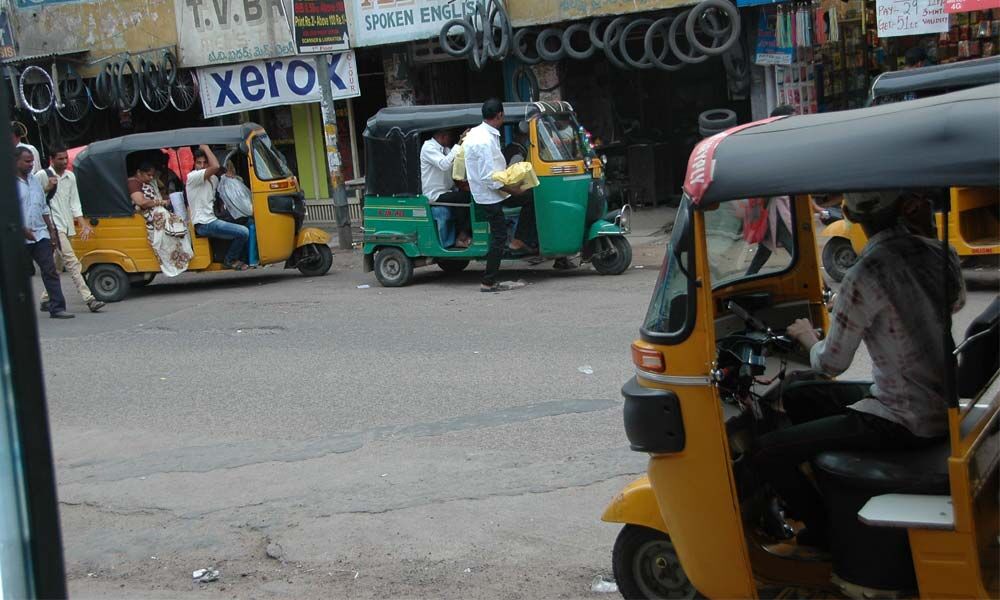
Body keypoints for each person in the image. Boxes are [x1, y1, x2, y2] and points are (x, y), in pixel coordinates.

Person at [752, 189, 965, 549]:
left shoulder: (864, 274)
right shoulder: (938, 251)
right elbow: (955, 301)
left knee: (765, 452)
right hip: (939, 402)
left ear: (850, 216)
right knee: (801, 394)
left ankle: (824, 532)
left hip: (903, 420)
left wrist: (807, 337)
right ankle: (834, 490)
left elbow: (830, 362)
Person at [464, 98, 538, 292]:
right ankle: (488, 281)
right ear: (500, 115)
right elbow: (489, 178)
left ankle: (520, 239)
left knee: (530, 199)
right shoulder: (484, 140)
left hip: (494, 191)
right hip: (490, 195)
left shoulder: (480, 133)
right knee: (499, 236)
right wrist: (514, 189)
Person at [35, 145, 105, 313]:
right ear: (52, 159)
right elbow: (34, 200)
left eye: (65, 158)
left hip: (67, 225)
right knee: (72, 262)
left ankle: (45, 297)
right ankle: (89, 298)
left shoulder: (70, 176)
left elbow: (75, 202)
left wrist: (82, 223)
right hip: (53, 226)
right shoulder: (42, 176)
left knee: (57, 266)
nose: (64, 161)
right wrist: (47, 189)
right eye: (60, 158)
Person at [16, 147, 73, 319]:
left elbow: (43, 207)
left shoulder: (34, 181)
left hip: (40, 234)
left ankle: (57, 307)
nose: (31, 164)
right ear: (16, 162)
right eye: (27, 161)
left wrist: (51, 230)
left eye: (32, 161)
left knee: (50, 270)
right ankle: (18, 313)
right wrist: (22, 230)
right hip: (18, 236)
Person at [745, 105, 797, 275]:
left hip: (779, 202)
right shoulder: (773, 142)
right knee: (796, 248)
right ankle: (823, 285)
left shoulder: (782, 140)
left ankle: (748, 278)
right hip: (776, 205)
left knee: (765, 248)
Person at [186, 145, 250, 270]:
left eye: (205, 163)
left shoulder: (214, 179)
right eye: (199, 163)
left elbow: (224, 179)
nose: (202, 166)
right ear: (194, 164)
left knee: (247, 221)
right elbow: (215, 167)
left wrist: (230, 176)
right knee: (243, 232)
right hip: (204, 224)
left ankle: (245, 258)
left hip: (213, 218)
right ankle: (230, 260)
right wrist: (205, 148)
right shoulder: (193, 177)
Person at [129, 161, 193, 277]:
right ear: (139, 172)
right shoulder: (133, 183)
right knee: (171, 228)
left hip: (155, 210)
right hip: (148, 215)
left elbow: (160, 190)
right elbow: (141, 202)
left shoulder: (145, 183)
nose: (151, 178)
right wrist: (160, 202)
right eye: (148, 175)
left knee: (178, 222)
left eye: (152, 175)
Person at [420, 129, 471, 249]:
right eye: (450, 137)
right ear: (443, 136)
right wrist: (459, 144)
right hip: (434, 194)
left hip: (448, 191)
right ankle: (462, 236)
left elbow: (454, 167)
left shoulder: (446, 149)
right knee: (463, 198)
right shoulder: (428, 148)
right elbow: (444, 164)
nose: (451, 140)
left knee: (468, 195)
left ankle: (464, 234)